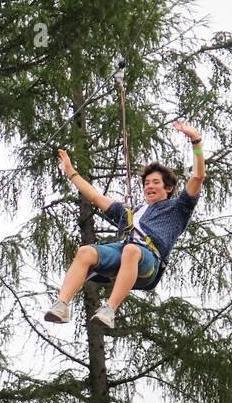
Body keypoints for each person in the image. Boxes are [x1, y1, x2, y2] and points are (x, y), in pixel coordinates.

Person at [44, 121, 205, 328]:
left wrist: (195, 140)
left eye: (155, 182)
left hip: (148, 260)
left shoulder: (178, 208)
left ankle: (109, 309)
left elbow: (198, 176)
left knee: (131, 249)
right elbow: (95, 197)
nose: (149, 186)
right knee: (86, 252)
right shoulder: (131, 214)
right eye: (146, 183)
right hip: (125, 254)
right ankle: (62, 305)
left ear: (169, 187)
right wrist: (71, 173)